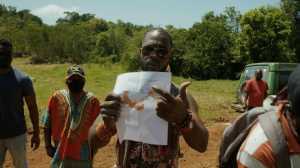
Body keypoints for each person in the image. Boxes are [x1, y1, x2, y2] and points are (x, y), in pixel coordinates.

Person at [89, 28, 209, 168]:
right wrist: (106, 126)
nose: (153, 55)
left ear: (170, 55)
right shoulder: (122, 91)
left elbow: (202, 144)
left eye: (161, 51)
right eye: (148, 50)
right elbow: (92, 142)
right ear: (140, 52)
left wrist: (183, 119)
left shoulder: (178, 96)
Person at [236, 66, 300, 168]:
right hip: (251, 106)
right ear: (255, 75)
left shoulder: (264, 83)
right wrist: (245, 103)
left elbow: (265, 93)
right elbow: (246, 93)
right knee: (250, 121)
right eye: (258, 74)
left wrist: (263, 100)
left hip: (259, 106)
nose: (259, 75)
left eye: (260, 74)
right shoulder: (250, 83)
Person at [43, 65, 100, 168]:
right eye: (72, 79)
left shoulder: (93, 101)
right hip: (60, 152)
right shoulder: (56, 98)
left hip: (83, 155)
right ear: (66, 81)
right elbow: (47, 123)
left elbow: (98, 130)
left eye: (78, 79)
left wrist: (93, 150)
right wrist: (47, 146)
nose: (75, 81)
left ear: (84, 81)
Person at [0, 39, 40, 168]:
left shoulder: (23, 79)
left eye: (7, 53)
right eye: (0, 53)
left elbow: (32, 107)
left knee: (21, 165)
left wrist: (36, 132)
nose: (4, 56)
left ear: (11, 56)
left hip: (17, 135)